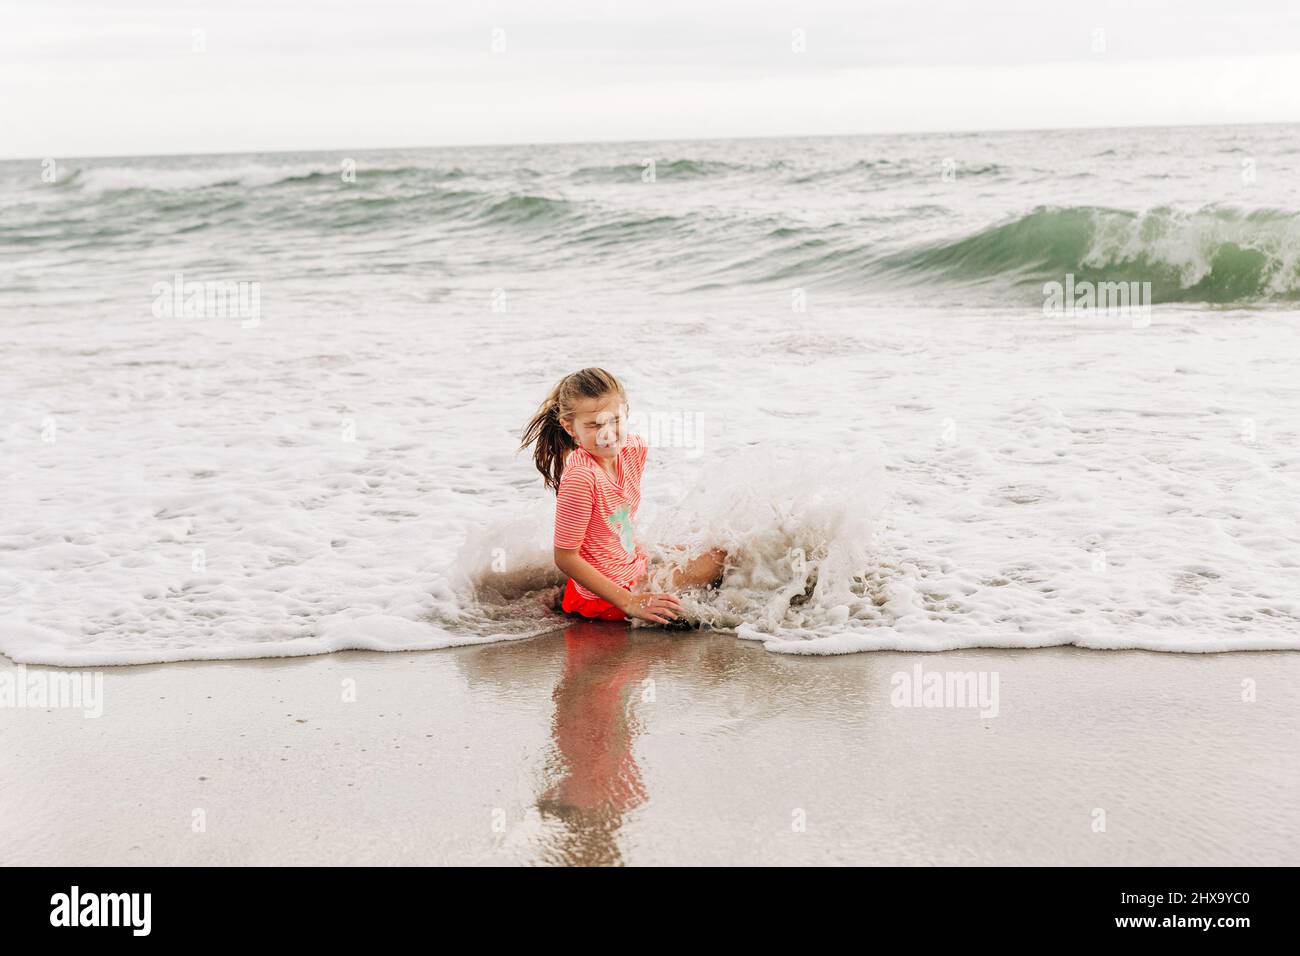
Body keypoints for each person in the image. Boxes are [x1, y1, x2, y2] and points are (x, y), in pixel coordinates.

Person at [520, 367, 725, 625]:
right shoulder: (581, 478)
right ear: (570, 428)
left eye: (614, 420)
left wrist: (647, 553)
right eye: (593, 425)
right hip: (605, 598)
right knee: (723, 558)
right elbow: (565, 557)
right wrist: (631, 602)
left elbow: (617, 519)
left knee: (717, 544)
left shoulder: (634, 450)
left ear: (626, 412)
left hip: (629, 568)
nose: (607, 433)